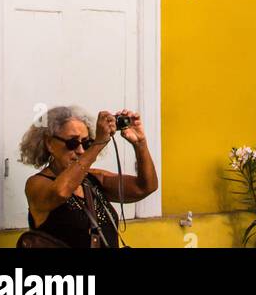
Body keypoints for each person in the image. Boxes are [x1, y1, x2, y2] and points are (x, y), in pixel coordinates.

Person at [18, 105, 158, 248]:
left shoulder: (93, 179)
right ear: (49, 143)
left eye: (86, 143)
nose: (81, 150)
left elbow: (145, 187)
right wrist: (97, 144)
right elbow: (61, 192)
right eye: (72, 143)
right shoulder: (36, 184)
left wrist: (140, 144)